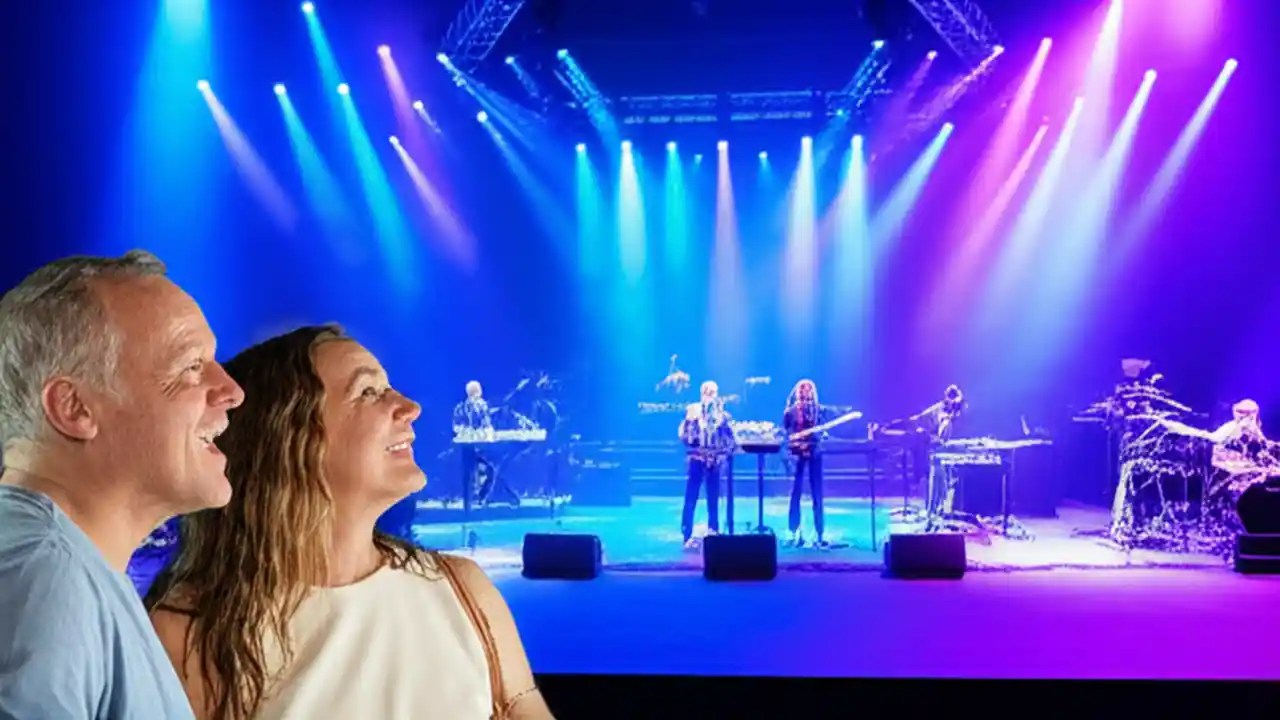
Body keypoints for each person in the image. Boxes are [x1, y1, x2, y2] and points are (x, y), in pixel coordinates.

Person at [146, 325, 552, 719]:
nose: (410, 408)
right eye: (368, 392)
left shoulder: (464, 590)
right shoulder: (190, 636)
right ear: (290, 440)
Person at [0, 250, 244, 718]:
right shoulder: (41, 575)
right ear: (75, 408)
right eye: (191, 365)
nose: (233, 391)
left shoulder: (68, 567)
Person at [678, 380, 735, 549]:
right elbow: (684, 437)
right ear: (701, 393)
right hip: (697, 459)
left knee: (713, 498)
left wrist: (724, 452)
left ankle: (713, 531)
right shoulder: (693, 410)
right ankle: (686, 534)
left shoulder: (722, 415)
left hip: (714, 461)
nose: (710, 395)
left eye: (713, 392)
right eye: (707, 391)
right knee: (691, 497)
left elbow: (730, 438)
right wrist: (690, 422)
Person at [783, 380, 827, 547]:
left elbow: (823, 431)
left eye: (809, 389)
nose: (806, 392)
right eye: (803, 389)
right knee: (795, 493)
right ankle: (793, 531)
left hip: (815, 453)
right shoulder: (791, 411)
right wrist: (793, 445)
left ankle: (819, 532)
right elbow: (785, 433)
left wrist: (818, 437)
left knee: (817, 493)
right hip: (797, 455)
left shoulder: (819, 410)